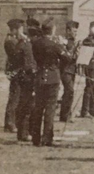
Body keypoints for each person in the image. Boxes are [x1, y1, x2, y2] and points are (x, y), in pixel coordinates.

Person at [29, 18, 69, 146]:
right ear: (52, 30)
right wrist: (62, 45)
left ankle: (36, 138)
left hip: (40, 77)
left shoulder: (35, 43)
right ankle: (47, 138)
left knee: (38, 108)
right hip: (52, 78)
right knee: (50, 110)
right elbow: (67, 59)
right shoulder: (55, 45)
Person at [9, 20, 37, 144]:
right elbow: (27, 63)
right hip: (27, 78)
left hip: (23, 77)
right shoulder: (23, 44)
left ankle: (23, 133)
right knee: (27, 106)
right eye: (20, 29)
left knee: (24, 105)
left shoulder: (22, 43)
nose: (22, 31)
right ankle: (24, 133)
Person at [78, 21, 94, 118]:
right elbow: (92, 52)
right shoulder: (87, 40)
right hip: (91, 67)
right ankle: (85, 110)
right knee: (89, 88)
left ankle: (92, 109)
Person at [3, 17, 23, 132]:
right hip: (15, 71)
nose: (22, 31)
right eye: (20, 29)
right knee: (14, 97)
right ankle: (10, 123)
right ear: (15, 29)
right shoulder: (11, 41)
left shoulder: (14, 39)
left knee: (17, 96)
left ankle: (12, 121)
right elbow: (17, 56)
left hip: (17, 70)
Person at [58, 20, 80, 123]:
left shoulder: (74, 42)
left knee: (69, 92)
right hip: (64, 69)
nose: (76, 33)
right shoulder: (62, 41)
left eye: (76, 31)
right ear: (68, 31)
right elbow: (65, 56)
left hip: (72, 70)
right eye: (74, 31)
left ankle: (65, 114)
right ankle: (65, 115)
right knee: (70, 90)